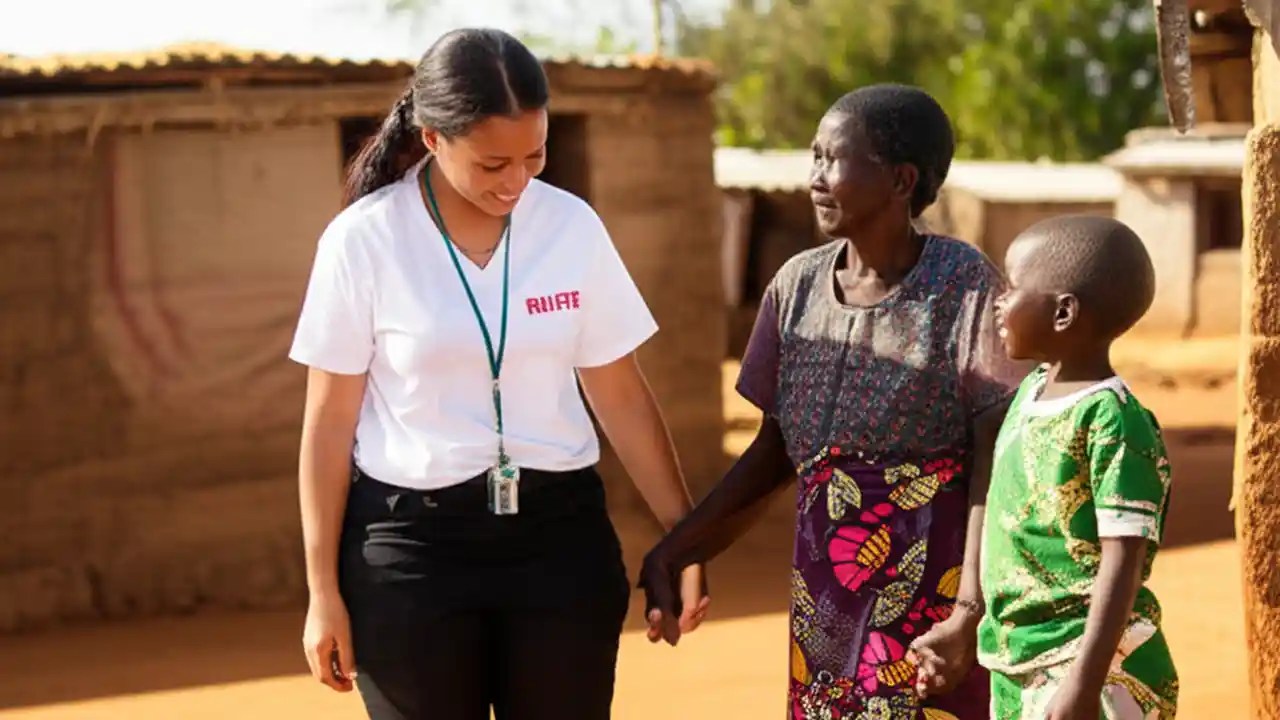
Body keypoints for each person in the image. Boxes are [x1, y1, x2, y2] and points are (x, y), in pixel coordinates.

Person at [288, 28, 709, 720]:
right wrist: (321, 591)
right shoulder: (363, 242)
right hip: (410, 555)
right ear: (431, 139)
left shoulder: (571, 228)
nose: (516, 182)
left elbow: (622, 395)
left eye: (534, 156)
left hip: (558, 546)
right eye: (492, 165)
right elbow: (328, 427)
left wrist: (685, 541)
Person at [637, 84, 1029, 718]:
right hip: (828, 593)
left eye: (833, 160)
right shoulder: (796, 289)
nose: (815, 178)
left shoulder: (962, 284)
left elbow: (995, 458)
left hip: (939, 590)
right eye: (813, 157)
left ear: (902, 180)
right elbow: (775, 452)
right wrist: (678, 550)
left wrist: (969, 611)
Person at [918, 215, 1178, 719]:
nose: (999, 302)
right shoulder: (1030, 394)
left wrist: (1083, 684)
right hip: (1019, 662)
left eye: (1011, 289)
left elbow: (1121, 565)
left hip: (1094, 667)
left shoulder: (1114, 421)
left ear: (1063, 313)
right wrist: (967, 616)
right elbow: (993, 497)